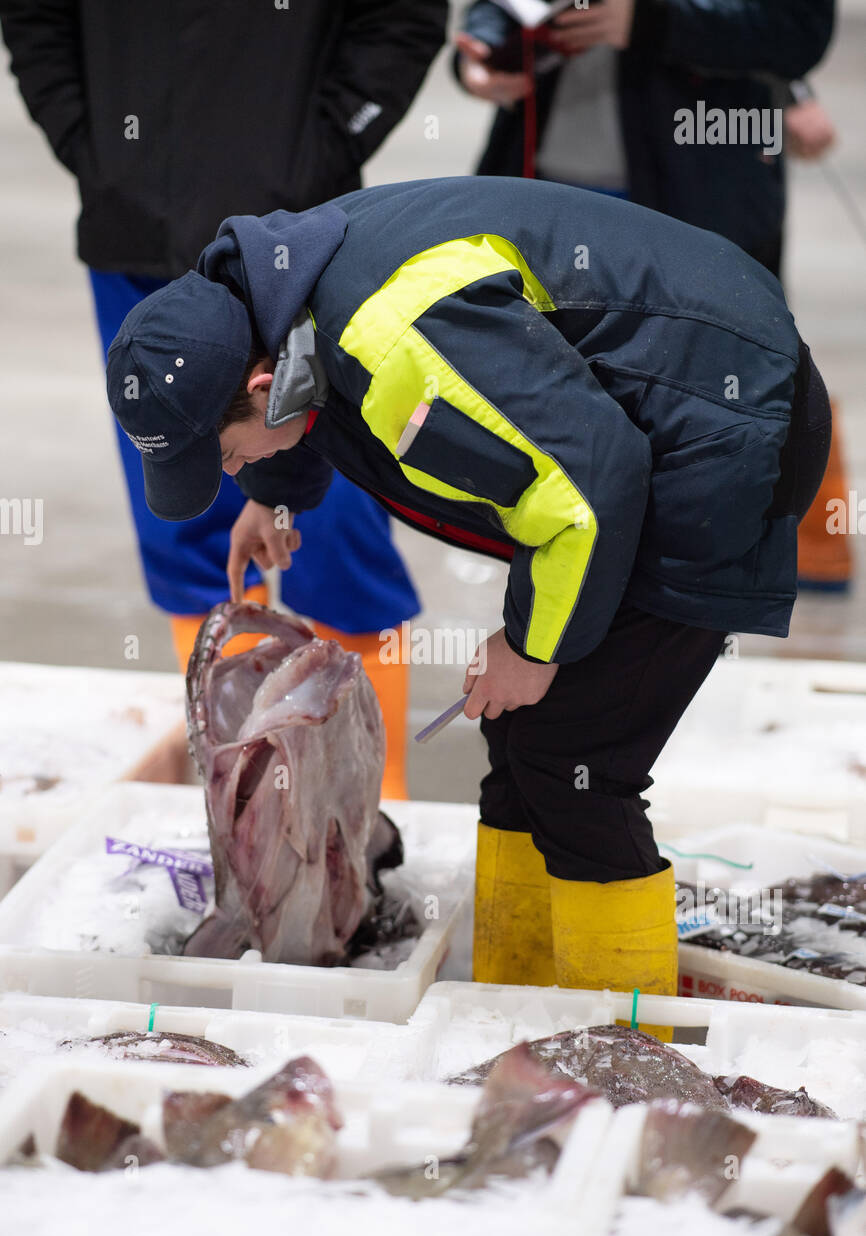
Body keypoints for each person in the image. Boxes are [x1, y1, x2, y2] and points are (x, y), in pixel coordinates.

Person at [106, 176, 831, 1031]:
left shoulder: (394, 343)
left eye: (226, 458)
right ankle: (512, 1015)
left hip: (721, 425)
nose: (226, 477)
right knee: (520, 737)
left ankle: (631, 1050)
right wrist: (273, 494)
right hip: (645, 424)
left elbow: (588, 486)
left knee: (574, 759)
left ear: (264, 386)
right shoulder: (270, 299)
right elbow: (307, 401)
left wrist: (532, 645)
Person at [0, 0, 448, 797]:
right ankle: (246, 801)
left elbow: (404, 16)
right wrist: (96, 146)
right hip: (135, 235)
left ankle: (377, 812)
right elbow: (36, 16)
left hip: (297, 232)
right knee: (183, 522)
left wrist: (326, 139)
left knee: (334, 534)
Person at [453, 0, 850, 590]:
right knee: (550, 406)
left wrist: (653, 22)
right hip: (545, 181)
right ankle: (576, 577)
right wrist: (482, 55)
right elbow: (496, 9)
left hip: (697, 189)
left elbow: (797, 28)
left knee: (729, 391)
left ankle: (774, 560)